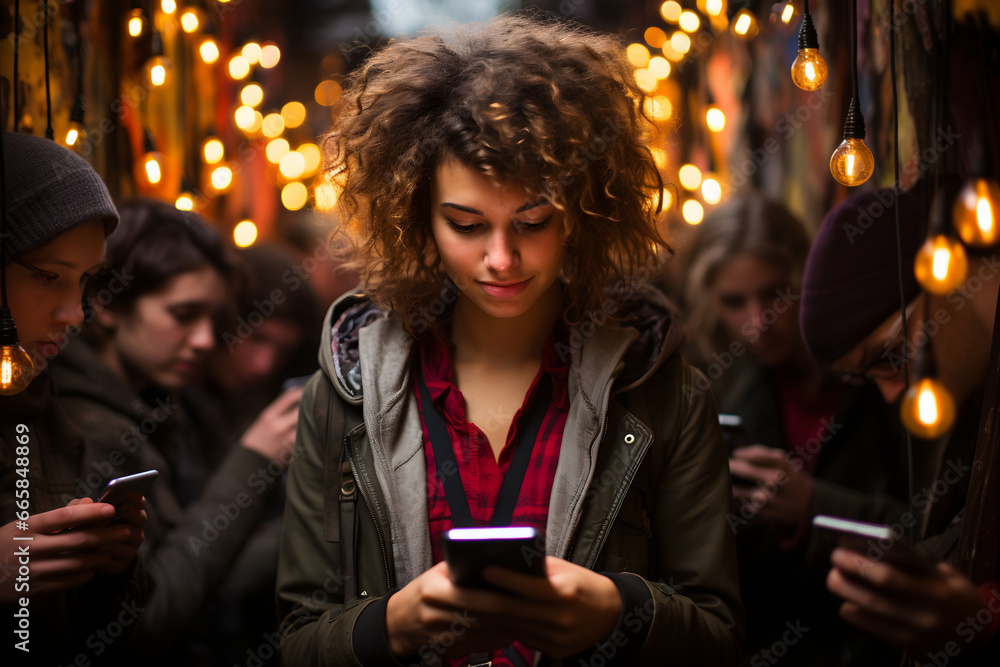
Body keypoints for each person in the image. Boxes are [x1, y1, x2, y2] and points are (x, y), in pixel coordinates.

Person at [276, 12, 743, 667]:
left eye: (533, 221)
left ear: (582, 211)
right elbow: (296, 639)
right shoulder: (344, 394)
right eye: (467, 224)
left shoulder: (663, 390)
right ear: (418, 220)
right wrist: (388, 626)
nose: (502, 257)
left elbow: (719, 633)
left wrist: (620, 610)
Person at [48, 199, 303, 664]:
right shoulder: (84, 429)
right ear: (107, 304)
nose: (206, 340)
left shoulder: (159, 404)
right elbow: (144, 624)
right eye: (184, 315)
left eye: (214, 321)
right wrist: (252, 463)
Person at [677, 193, 910, 665]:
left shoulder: (880, 372)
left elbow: (934, 530)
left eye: (774, 294)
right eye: (734, 301)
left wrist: (813, 504)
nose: (757, 321)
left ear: (804, 280)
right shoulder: (722, 392)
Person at [799, 185, 1000, 663]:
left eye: (891, 356)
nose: (892, 395)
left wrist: (985, 621)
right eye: (867, 379)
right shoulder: (962, 421)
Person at [0, 132, 146, 665]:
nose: (75, 313)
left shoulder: (42, 408)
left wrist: (107, 578)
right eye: (48, 276)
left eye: (83, 282)